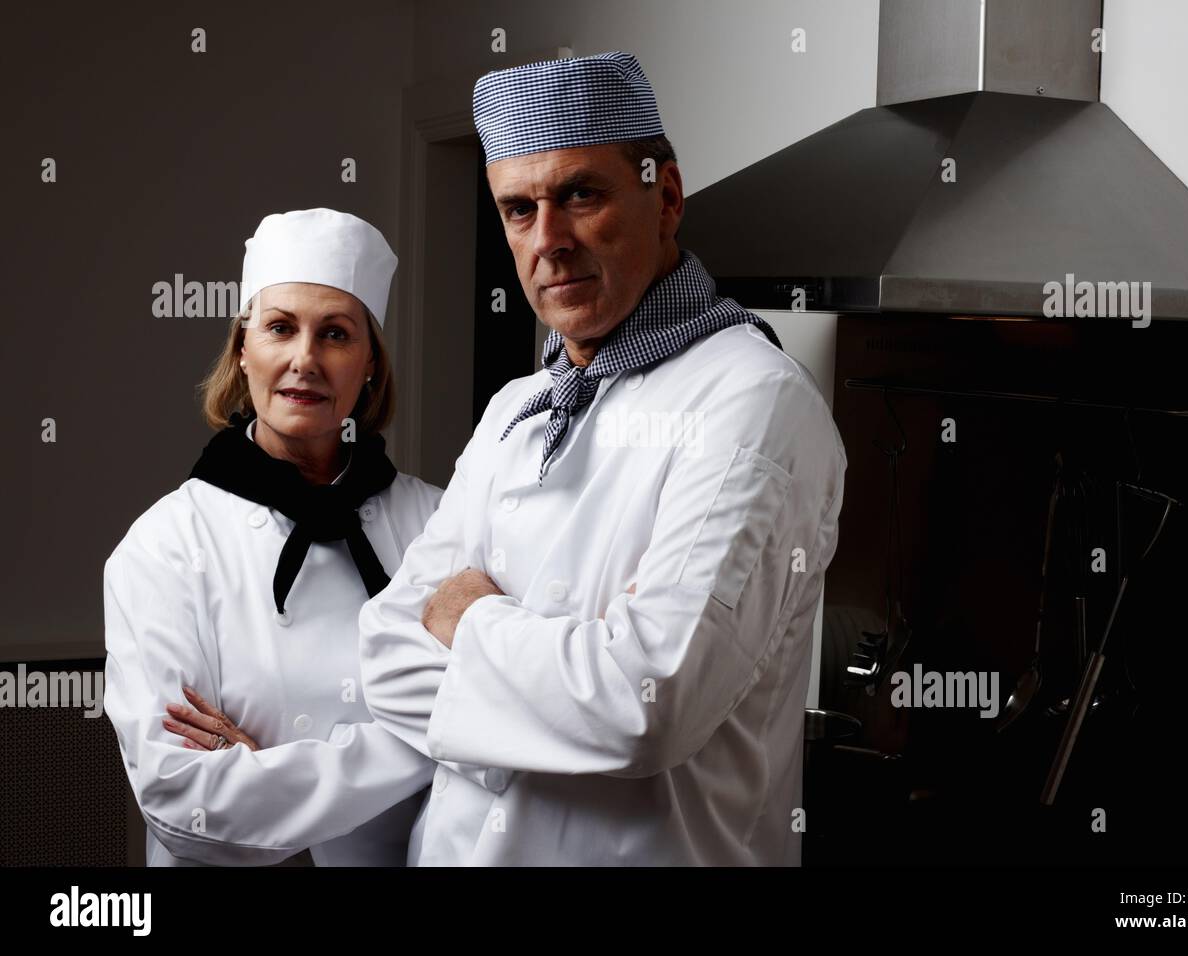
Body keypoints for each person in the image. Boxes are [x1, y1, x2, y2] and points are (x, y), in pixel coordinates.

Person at [358, 53, 847, 865]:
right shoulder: (517, 409)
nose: (548, 241)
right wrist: (570, 669)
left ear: (667, 197)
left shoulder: (752, 402)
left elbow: (642, 705)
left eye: (580, 194)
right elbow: (382, 658)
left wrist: (469, 616)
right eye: (518, 210)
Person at [104, 208, 440, 866]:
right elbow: (181, 797)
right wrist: (423, 742)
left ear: (370, 363)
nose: (304, 360)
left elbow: (495, 736)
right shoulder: (167, 546)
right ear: (242, 347)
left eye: (336, 334)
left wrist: (266, 779)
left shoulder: (438, 524)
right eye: (280, 328)